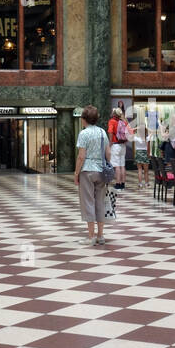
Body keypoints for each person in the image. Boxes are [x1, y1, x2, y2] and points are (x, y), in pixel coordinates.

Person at [75, 105, 112, 246]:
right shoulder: (102, 132)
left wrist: (76, 173)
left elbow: (81, 156)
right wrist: (107, 165)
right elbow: (108, 153)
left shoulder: (83, 134)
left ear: (84, 119)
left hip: (87, 171)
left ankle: (90, 236)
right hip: (101, 171)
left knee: (88, 202)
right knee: (100, 202)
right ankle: (100, 235)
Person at [107, 107, 130, 190]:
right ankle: (123, 183)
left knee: (116, 166)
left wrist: (110, 142)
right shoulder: (124, 121)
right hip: (123, 145)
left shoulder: (112, 121)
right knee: (122, 165)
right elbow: (129, 131)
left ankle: (118, 183)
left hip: (115, 145)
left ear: (114, 113)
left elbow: (110, 131)